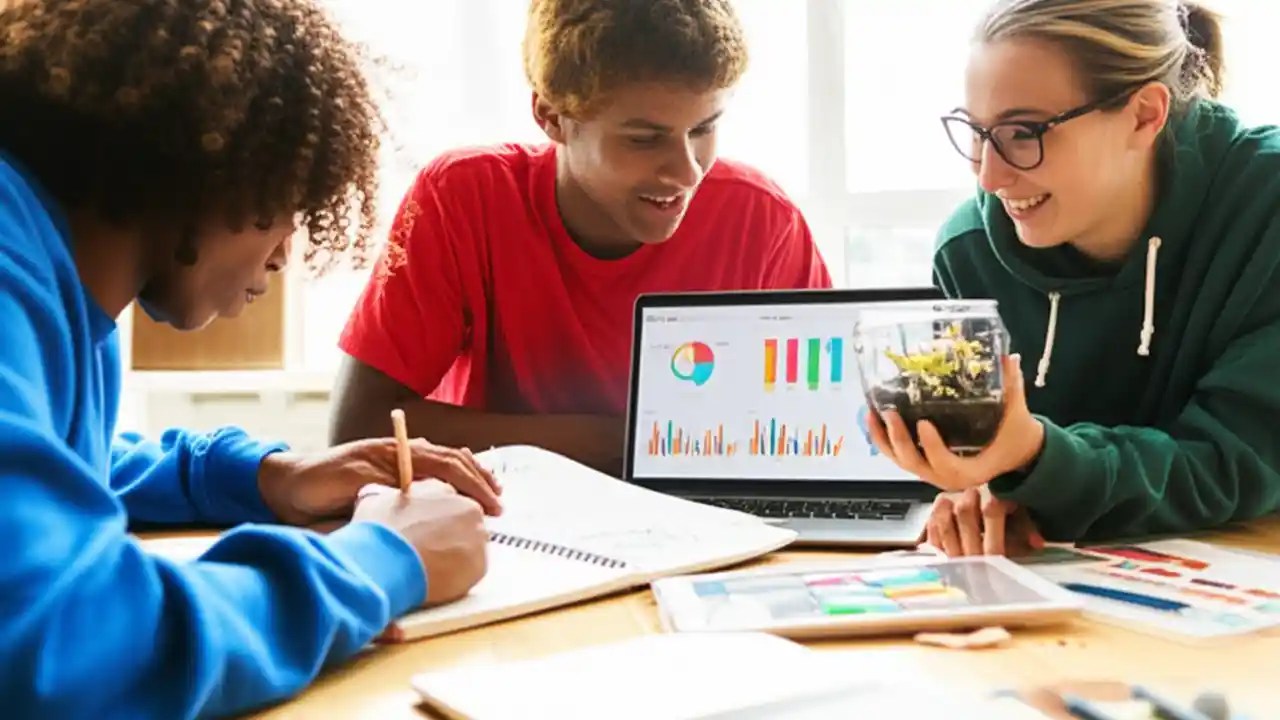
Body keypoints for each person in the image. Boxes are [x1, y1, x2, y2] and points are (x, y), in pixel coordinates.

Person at [0, 1, 503, 716]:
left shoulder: (58, 286)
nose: (283, 253)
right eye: (286, 202)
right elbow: (70, 649)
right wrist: (381, 558)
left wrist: (266, 477)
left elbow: (51, 471)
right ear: (207, 167)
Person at [329, 0, 833, 475]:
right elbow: (358, 431)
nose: (688, 172)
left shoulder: (763, 219)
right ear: (551, 117)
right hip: (509, 521)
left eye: (704, 129)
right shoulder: (463, 197)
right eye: (644, 139)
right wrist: (631, 440)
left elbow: (830, 427)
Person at [868, 0, 1280, 556]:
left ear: (1144, 115)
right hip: (1067, 583)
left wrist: (1036, 457)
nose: (989, 176)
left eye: (1023, 132)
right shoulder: (968, 253)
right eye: (976, 131)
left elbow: (1239, 461)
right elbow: (994, 470)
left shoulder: (1265, 211)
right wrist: (981, 486)